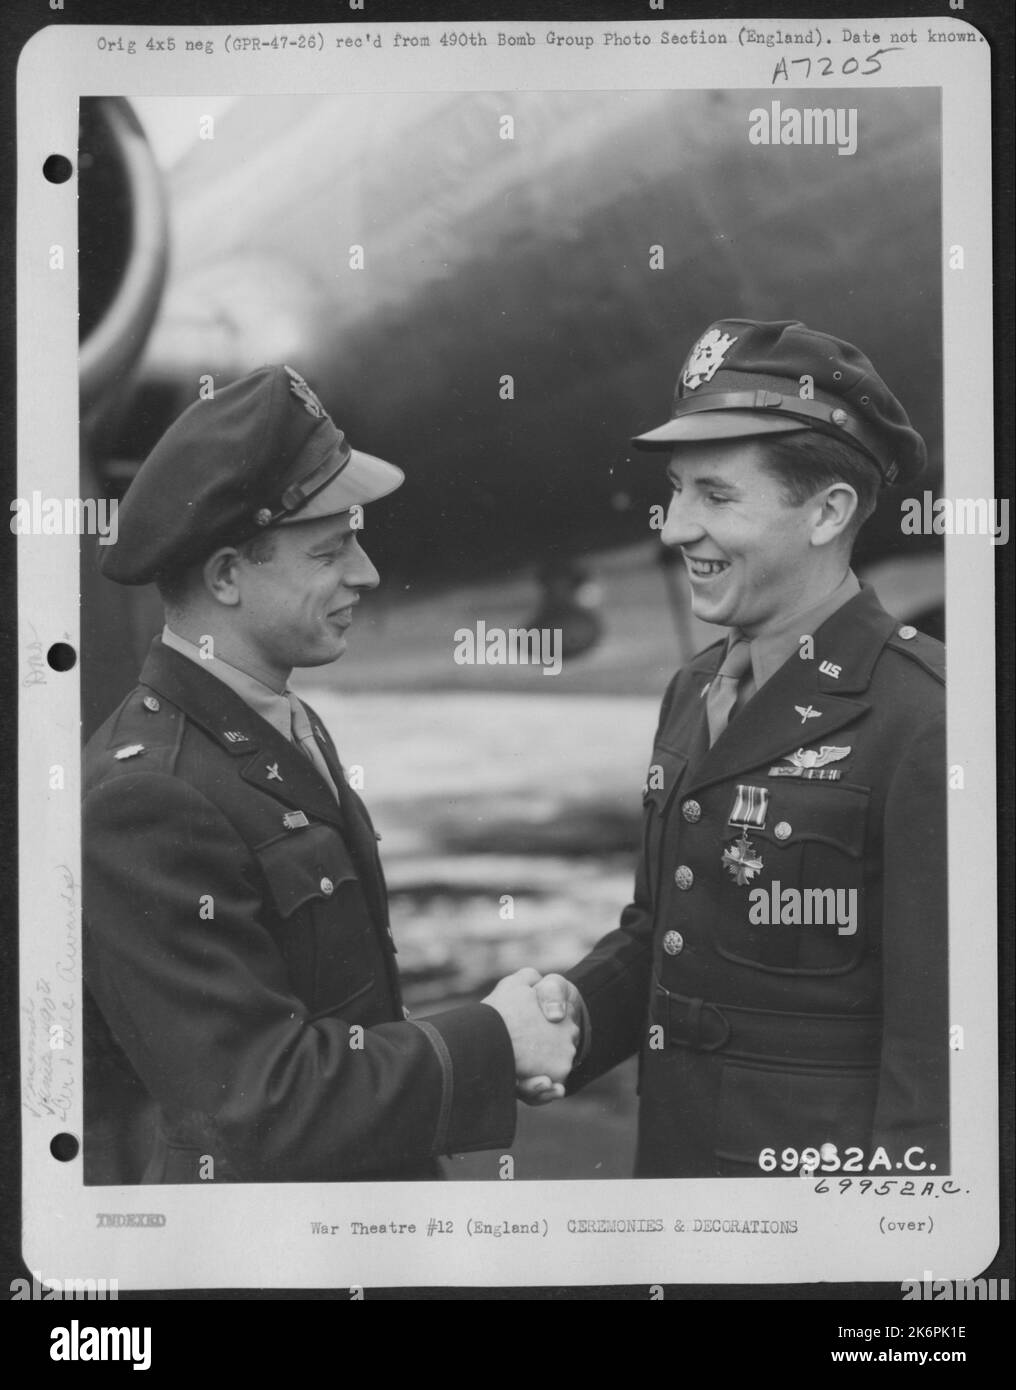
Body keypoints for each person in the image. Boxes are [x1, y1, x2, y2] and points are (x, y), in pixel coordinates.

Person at [83, 364, 576, 1184]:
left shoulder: (271, 717)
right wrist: (492, 1041)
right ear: (228, 575)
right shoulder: (148, 797)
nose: (367, 573)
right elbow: (257, 1105)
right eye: (330, 550)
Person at [530, 319, 949, 1178]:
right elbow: (666, 932)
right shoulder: (694, 691)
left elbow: (936, 1052)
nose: (677, 526)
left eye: (716, 497)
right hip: (680, 1205)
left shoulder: (926, 717)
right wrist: (572, 1011)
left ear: (827, 513)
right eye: (678, 491)